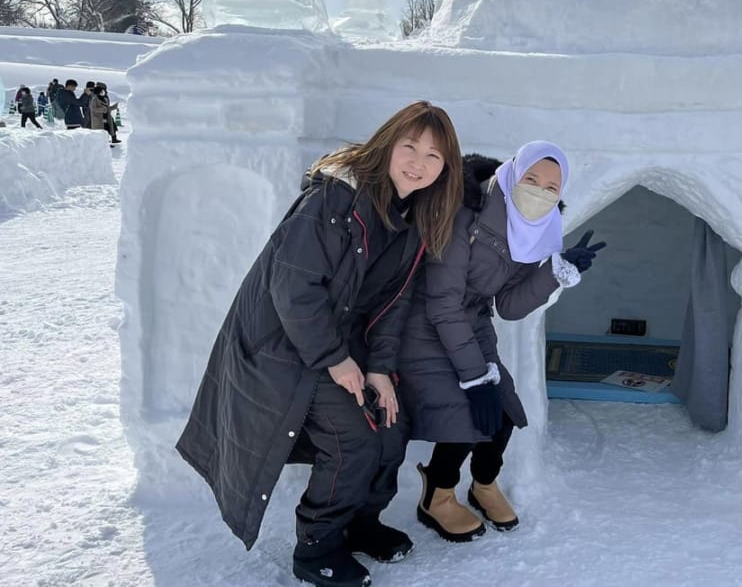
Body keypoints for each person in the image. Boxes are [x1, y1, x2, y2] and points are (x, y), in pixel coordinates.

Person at [176, 101, 464, 587]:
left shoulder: (414, 217)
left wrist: (378, 368)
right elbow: (293, 289)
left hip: (340, 346)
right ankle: (317, 547)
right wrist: (336, 361)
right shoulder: (335, 200)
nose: (419, 162)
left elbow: (394, 303)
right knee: (351, 438)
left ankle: (360, 523)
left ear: (445, 168)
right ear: (388, 144)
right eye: (410, 147)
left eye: (434, 156)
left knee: (393, 425)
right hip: (285, 349)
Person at [399, 142, 606, 542]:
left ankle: (483, 484)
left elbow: (509, 306)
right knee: (468, 410)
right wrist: (475, 379)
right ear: (513, 174)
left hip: (471, 323)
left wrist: (554, 270)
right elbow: (442, 301)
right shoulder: (464, 213)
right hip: (423, 323)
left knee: (504, 410)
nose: (540, 192)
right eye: (532, 180)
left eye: (551, 187)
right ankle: (437, 495)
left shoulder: (535, 230)